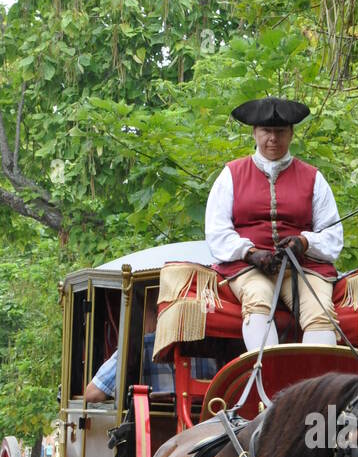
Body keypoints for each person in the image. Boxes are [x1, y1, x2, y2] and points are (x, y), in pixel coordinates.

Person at [205, 96, 343, 353]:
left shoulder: (314, 178)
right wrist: (250, 253)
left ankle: (312, 378)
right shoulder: (231, 175)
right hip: (249, 268)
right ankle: (267, 373)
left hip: (303, 267)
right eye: (266, 131)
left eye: (280, 132)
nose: (272, 138)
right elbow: (217, 232)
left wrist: (304, 242)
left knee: (320, 311)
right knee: (257, 299)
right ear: (254, 133)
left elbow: (333, 235)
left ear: (291, 134)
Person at [85, 300, 216, 403]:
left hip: (151, 426)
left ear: (158, 315)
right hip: (203, 424)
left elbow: (93, 393)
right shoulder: (209, 348)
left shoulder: (141, 345)